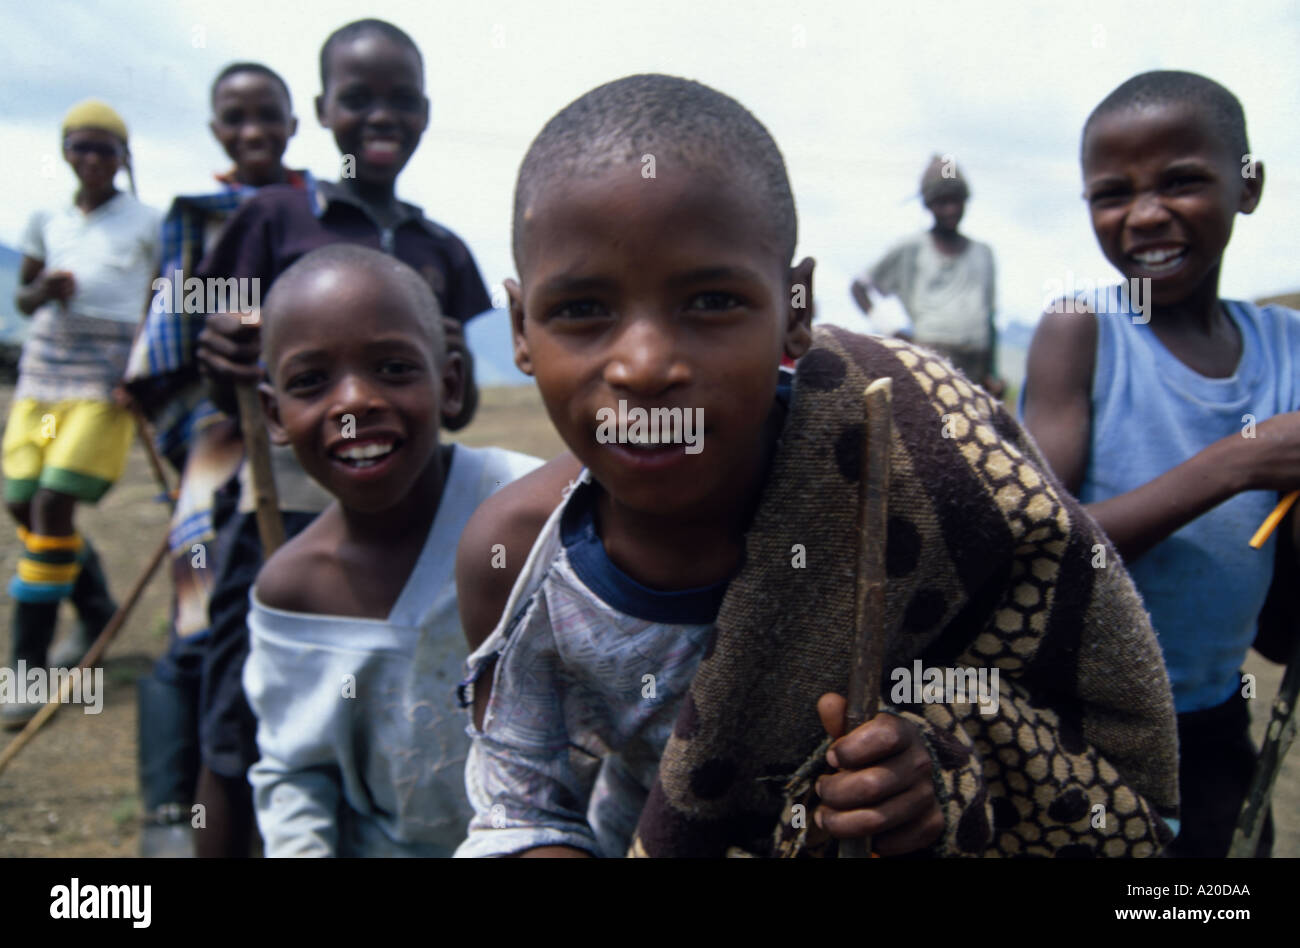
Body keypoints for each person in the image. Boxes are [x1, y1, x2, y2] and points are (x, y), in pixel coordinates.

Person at [454, 74, 1179, 858]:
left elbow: (1048, 699)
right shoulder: (518, 560)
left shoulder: (902, 474)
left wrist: (929, 773)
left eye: (709, 302)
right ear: (522, 328)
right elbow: (520, 806)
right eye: (583, 310)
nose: (644, 365)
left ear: (796, 308)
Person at [191, 18, 493, 856]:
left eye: (400, 100)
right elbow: (227, 368)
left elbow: (454, 409)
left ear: (426, 113)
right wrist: (219, 350)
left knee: (396, 702)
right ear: (322, 111)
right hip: (279, 505)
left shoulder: (443, 251)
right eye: (358, 99)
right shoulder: (275, 216)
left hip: (416, 525)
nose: (379, 117)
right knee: (237, 711)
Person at [1021, 70, 1300, 858]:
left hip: (1214, 723)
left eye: (1181, 181)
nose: (1145, 214)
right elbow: (1041, 554)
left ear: (1247, 187)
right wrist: (1239, 462)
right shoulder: (1083, 332)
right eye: (1112, 193)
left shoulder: (1288, 350)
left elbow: (1280, 620)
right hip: (1076, 725)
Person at [241, 245, 539, 856]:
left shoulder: (532, 514)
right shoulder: (294, 589)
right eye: (310, 381)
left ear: (451, 383)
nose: (354, 403)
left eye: (394, 368)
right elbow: (297, 771)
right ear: (275, 413)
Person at [121, 62, 310, 855]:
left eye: (268, 117)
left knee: (293, 611)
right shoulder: (196, 219)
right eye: (236, 120)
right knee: (198, 619)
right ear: (215, 131)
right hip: (224, 436)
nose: (254, 133)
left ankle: (277, 789)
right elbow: (170, 337)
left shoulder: (320, 209)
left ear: (297, 124)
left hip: (306, 447)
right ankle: (172, 813)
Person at [2, 100, 160, 728]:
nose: (93, 160)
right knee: (22, 497)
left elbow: (162, 299)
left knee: (52, 504)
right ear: (67, 152)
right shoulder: (47, 218)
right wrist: (44, 291)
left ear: (124, 158)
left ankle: (28, 669)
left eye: (105, 148)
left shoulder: (149, 222)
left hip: (103, 380)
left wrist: (146, 375)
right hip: (44, 378)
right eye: (81, 148)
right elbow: (23, 290)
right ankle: (95, 608)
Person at [851, 155, 1003, 396]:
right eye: (942, 202)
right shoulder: (912, 249)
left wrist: (992, 373)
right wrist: (893, 332)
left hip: (975, 367)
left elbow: (990, 317)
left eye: (956, 201)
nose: (951, 209)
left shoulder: (983, 253)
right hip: (930, 362)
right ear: (928, 205)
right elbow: (859, 287)